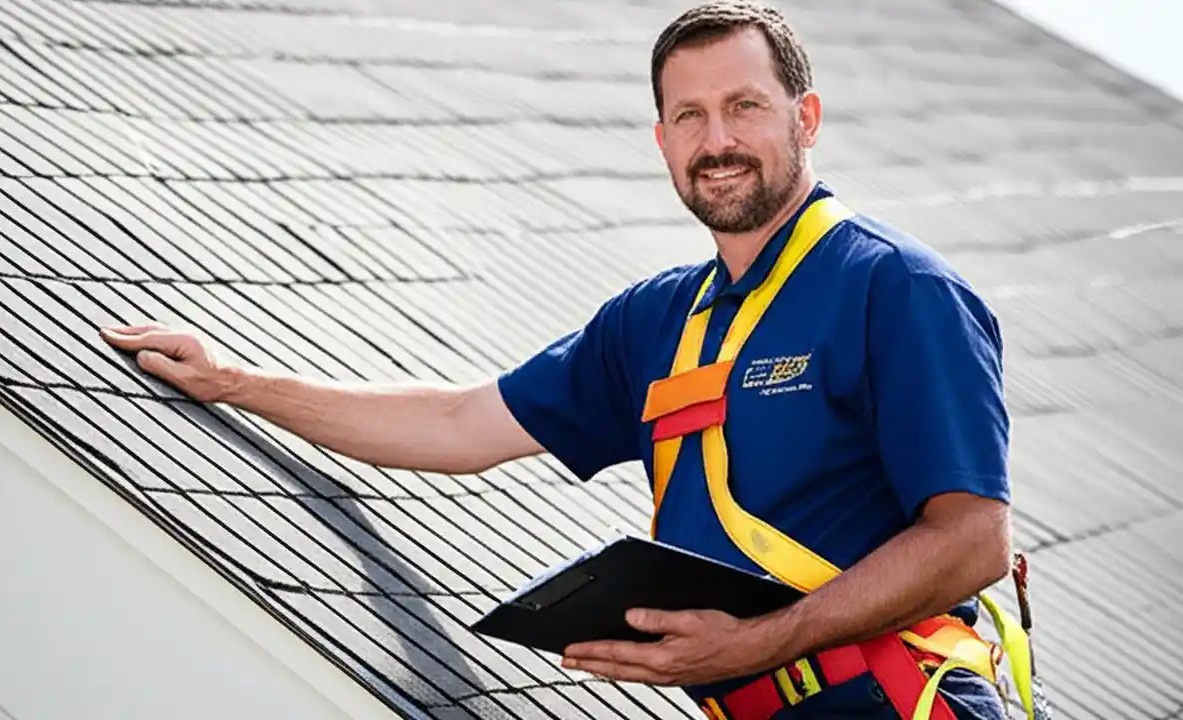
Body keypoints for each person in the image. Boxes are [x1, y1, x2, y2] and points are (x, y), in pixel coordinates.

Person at [101, 2, 1018, 718]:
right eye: (688, 116)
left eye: (745, 107)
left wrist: (762, 642)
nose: (718, 140)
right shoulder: (657, 321)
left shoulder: (894, 289)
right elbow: (460, 424)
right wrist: (231, 382)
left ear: (805, 117)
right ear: (662, 143)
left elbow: (974, 539)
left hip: (902, 705)